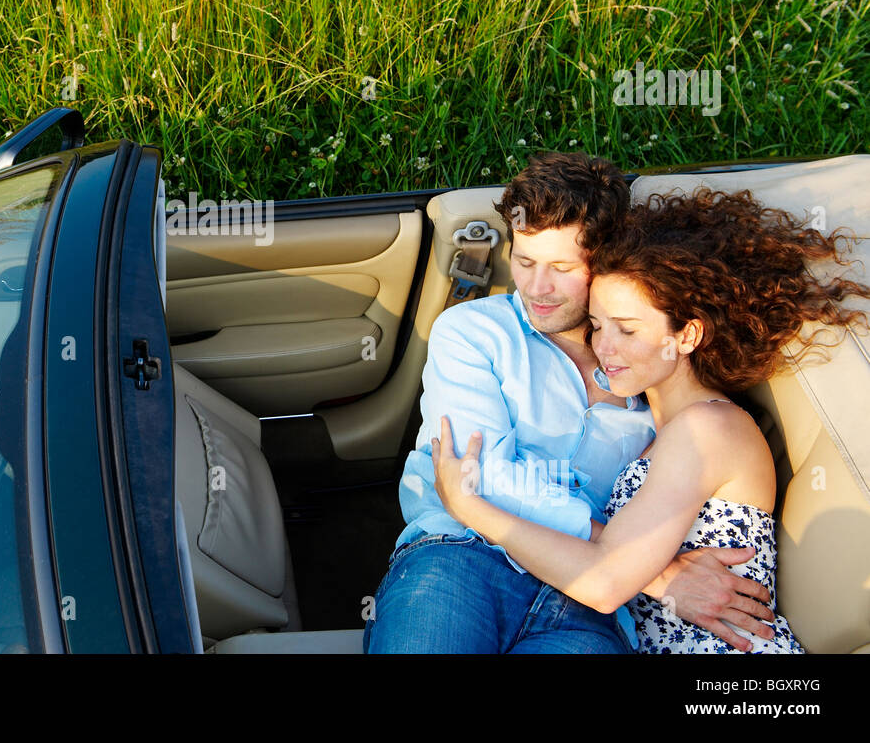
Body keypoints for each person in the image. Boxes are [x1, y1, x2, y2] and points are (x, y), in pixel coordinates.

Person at [364, 153, 781, 653]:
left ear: (602, 262)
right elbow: (480, 477)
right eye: (524, 261)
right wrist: (658, 576)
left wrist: (620, 567)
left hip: (586, 607)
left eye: (562, 268)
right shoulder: (472, 333)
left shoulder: (649, 373)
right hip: (464, 553)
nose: (538, 288)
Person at [430, 186, 870, 652]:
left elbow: (603, 583)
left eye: (629, 329)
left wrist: (470, 509)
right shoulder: (656, 430)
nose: (605, 347)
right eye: (598, 326)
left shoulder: (706, 429)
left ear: (687, 335)